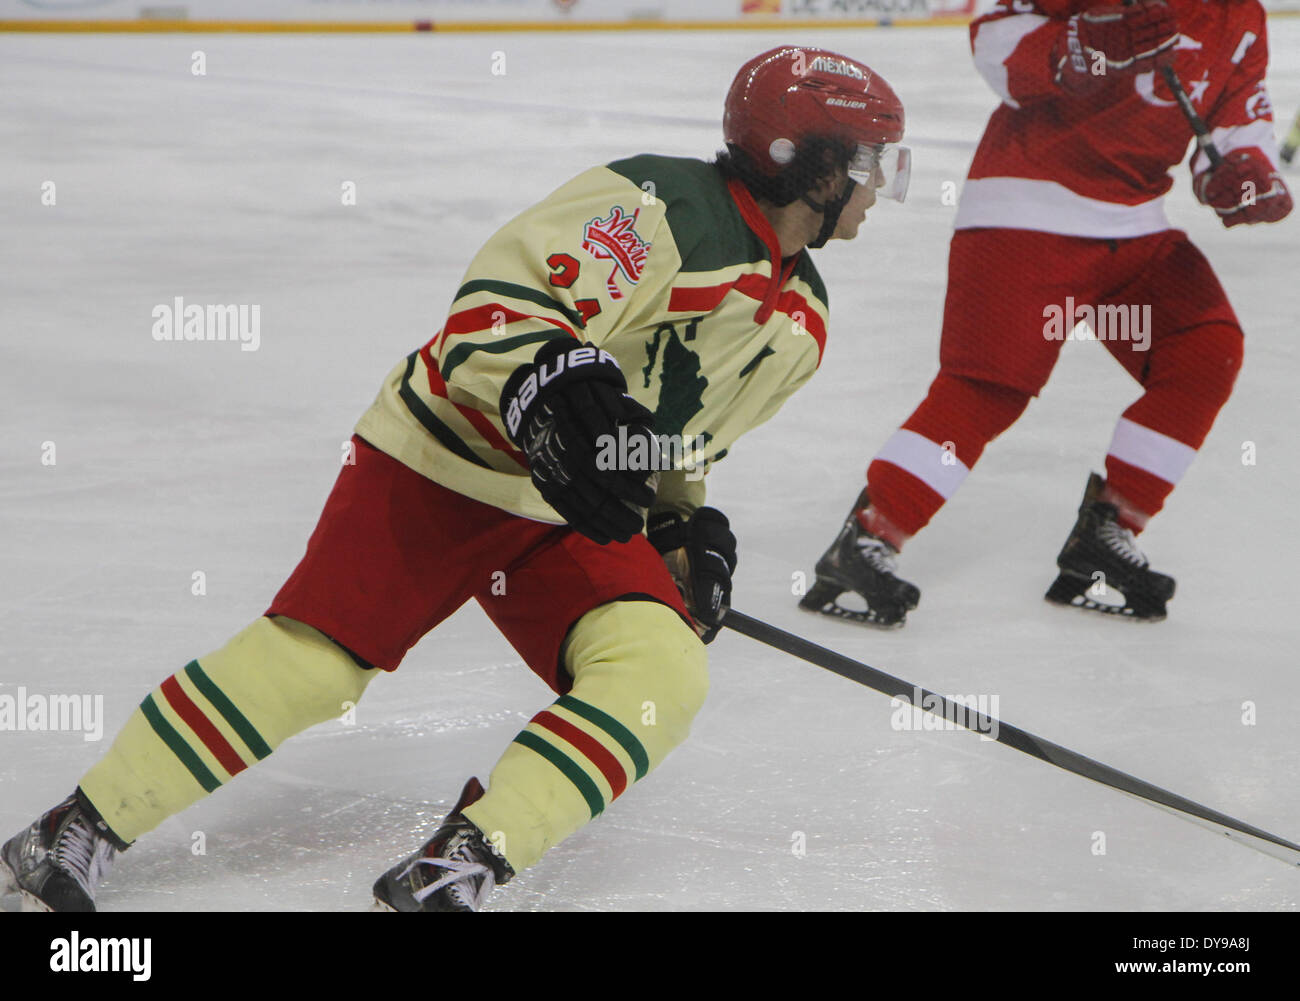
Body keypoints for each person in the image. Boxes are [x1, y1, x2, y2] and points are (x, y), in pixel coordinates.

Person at [1, 45, 911, 912]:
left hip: (562, 509)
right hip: (447, 456)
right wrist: (552, 389)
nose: (879, 187)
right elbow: (499, 304)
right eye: (869, 163)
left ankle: (458, 865)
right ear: (817, 169)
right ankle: (74, 826)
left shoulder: (801, 322)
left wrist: (678, 525)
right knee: (315, 664)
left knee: (659, 669)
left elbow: (677, 442)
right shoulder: (659, 206)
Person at [801, 0, 1292, 627]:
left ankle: (1108, 532)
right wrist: (1083, 46)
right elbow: (994, 39)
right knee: (988, 388)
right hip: (1027, 210)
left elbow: (1236, 115)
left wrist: (1248, 174)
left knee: (1205, 346)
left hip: (1132, 228)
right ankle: (870, 536)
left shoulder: (1240, 17)